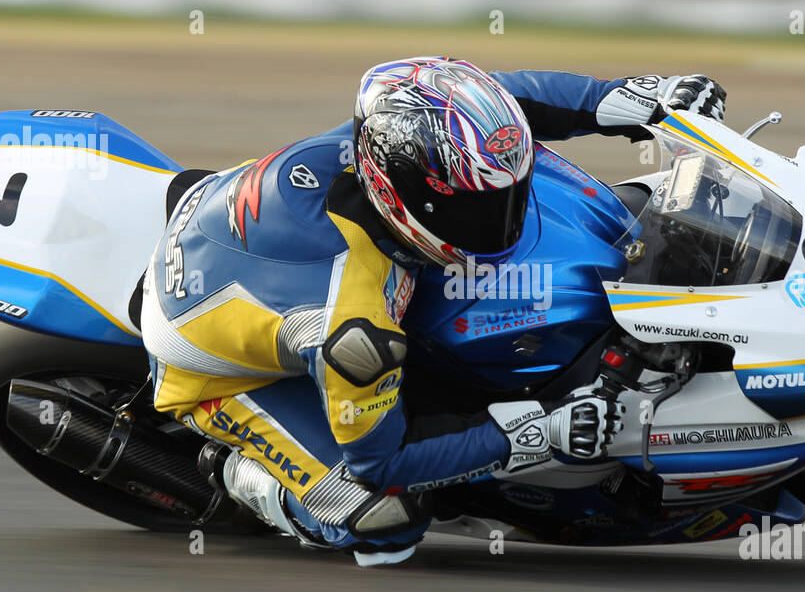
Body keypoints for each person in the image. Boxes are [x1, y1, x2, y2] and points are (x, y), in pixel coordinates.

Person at [140, 56, 726, 565]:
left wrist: (628, 99)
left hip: (232, 233)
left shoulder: (395, 127)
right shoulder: (353, 324)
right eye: (482, 208)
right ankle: (238, 475)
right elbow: (383, 461)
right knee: (385, 520)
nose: (506, 215)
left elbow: (502, 101)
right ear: (409, 201)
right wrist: (539, 431)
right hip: (211, 365)